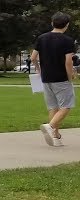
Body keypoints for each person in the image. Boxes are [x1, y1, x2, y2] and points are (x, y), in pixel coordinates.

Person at [30, 12, 76, 147]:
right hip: (61, 78)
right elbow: (68, 62)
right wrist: (70, 77)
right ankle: (50, 127)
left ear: (52, 23)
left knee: (53, 107)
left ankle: (55, 136)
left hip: (46, 78)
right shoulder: (68, 41)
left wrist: (39, 70)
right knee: (66, 105)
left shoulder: (41, 38)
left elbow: (33, 58)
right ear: (67, 25)